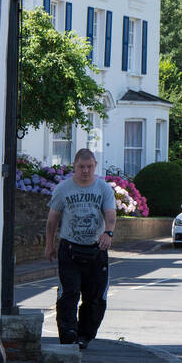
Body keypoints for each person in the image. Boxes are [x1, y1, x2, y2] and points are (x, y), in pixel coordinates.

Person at [44, 148, 116, 350]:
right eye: (81, 167)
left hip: (96, 249)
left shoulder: (103, 188)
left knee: (94, 296)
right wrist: (49, 245)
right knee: (69, 292)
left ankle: (85, 335)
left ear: (95, 166)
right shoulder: (64, 188)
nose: (85, 171)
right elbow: (52, 219)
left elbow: (110, 214)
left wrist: (108, 233)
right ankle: (68, 334)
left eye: (89, 166)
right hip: (69, 249)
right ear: (74, 167)